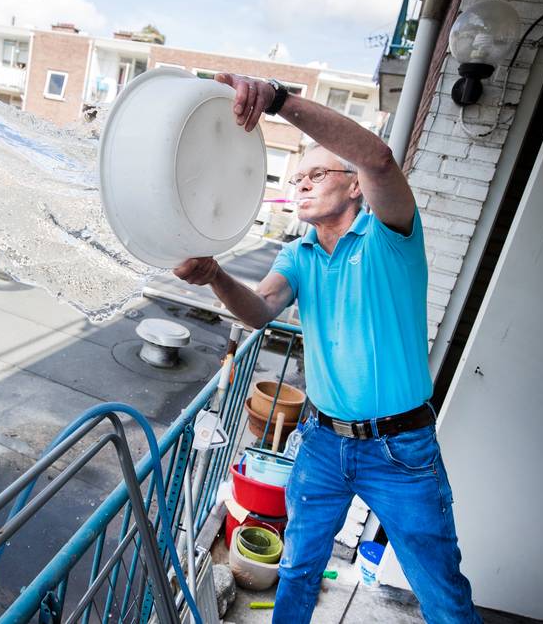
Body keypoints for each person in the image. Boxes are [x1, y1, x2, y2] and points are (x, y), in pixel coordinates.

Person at [175, 74, 480, 623]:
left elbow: (381, 159)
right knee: (297, 568)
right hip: (321, 442)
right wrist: (216, 274)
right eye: (297, 179)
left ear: (354, 184)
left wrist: (279, 100)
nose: (303, 185)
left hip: (400, 451)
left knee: (440, 590)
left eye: (316, 174)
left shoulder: (391, 234)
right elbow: (261, 310)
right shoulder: (300, 255)